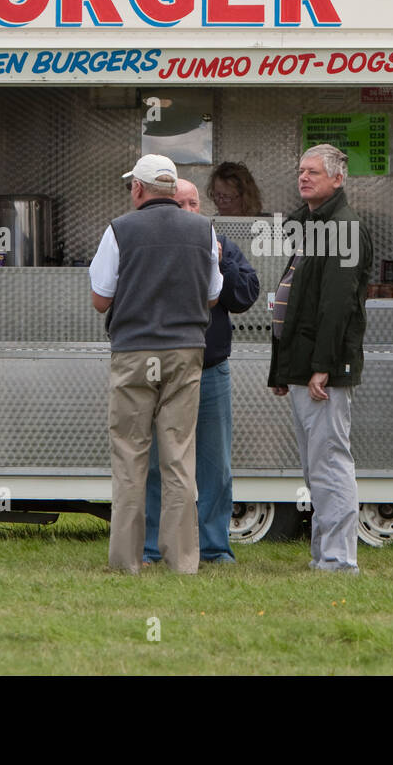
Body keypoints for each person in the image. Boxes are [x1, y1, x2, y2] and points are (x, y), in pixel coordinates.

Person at [89, 155, 223, 574]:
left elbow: (100, 299)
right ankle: (183, 560)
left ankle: (127, 560)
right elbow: (214, 295)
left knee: (130, 455)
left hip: (133, 353)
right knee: (179, 458)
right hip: (185, 352)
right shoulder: (204, 229)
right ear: (172, 188)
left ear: (139, 189)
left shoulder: (119, 230)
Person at [142, 179, 260, 564]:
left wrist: (221, 259)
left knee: (215, 467)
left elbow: (244, 296)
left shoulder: (220, 243)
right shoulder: (153, 249)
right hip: (163, 372)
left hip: (211, 370)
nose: (191, 211)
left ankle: (213, 547)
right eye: (182, 204)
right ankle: (153, 547)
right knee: (159, 464)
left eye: (196, 203)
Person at [268, 144, 373, 572]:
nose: (303, 177)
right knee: (317, 469)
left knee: (329, 464)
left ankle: (338, 560)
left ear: (338, 178)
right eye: (300, 171)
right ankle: (324, 556)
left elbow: (336, 305)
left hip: (321, 369)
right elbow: (297, 300)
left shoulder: (345, 228)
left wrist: (323, 367)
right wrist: (284, 369)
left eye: (313, 172)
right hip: (302, 365)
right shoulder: (315, 225)